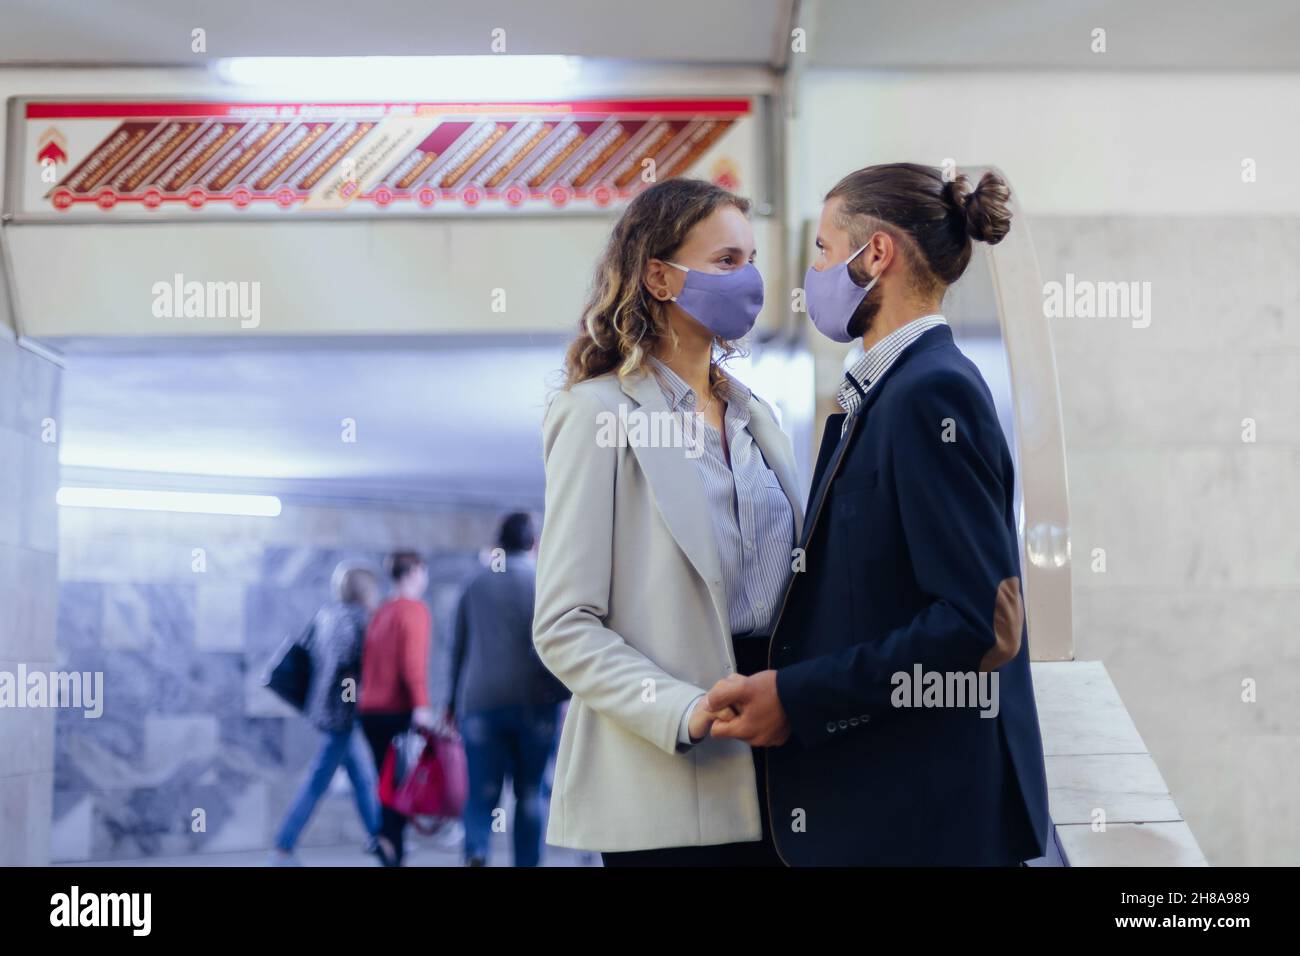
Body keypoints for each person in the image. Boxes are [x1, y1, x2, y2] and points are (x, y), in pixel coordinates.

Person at [704, 163, 1051, 866]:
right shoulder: (889, 393)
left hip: (924, 822)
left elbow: (975, 620)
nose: (814, 275)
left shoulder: (930, 395)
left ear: (878, 255)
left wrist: (796, 696)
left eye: (826, 251)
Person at [532, 177, 803, 865]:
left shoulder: (757, 417)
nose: (749, 280)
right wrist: (682, 709)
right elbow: (565, 624)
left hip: (784, 750)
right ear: (658, 276)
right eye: (726, 262)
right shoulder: (598, 415)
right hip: (673, 763)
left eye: (751, 260)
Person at [447, 512, 566, 867]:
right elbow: (559, 646)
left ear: (498, 543)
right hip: (534, 704)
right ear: (533, 543)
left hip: (480, 703)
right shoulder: (544, 583)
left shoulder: (474, 584)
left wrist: (450, 705)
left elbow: (458, 649)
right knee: (529, 792)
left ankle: (477, 852)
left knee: (482, 793)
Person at [270, 562, 385, 866]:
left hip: (322, 708)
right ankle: (283, 845)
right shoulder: (359, 620)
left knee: (361, 778)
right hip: (342, 715)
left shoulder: (327, 615)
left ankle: (380, 839)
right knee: (320, 780)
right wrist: (358, 699)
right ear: (365, 591)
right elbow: (348, 666)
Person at [358, 550, 435, 867]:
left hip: (370, 712)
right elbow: (412, 664)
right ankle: (392, 849)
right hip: (397, 712)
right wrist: (422, 705)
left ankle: (389, 845)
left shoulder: (381, 610)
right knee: (400, 787)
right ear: (415, 571)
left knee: (386, 783)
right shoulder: (414, 611)